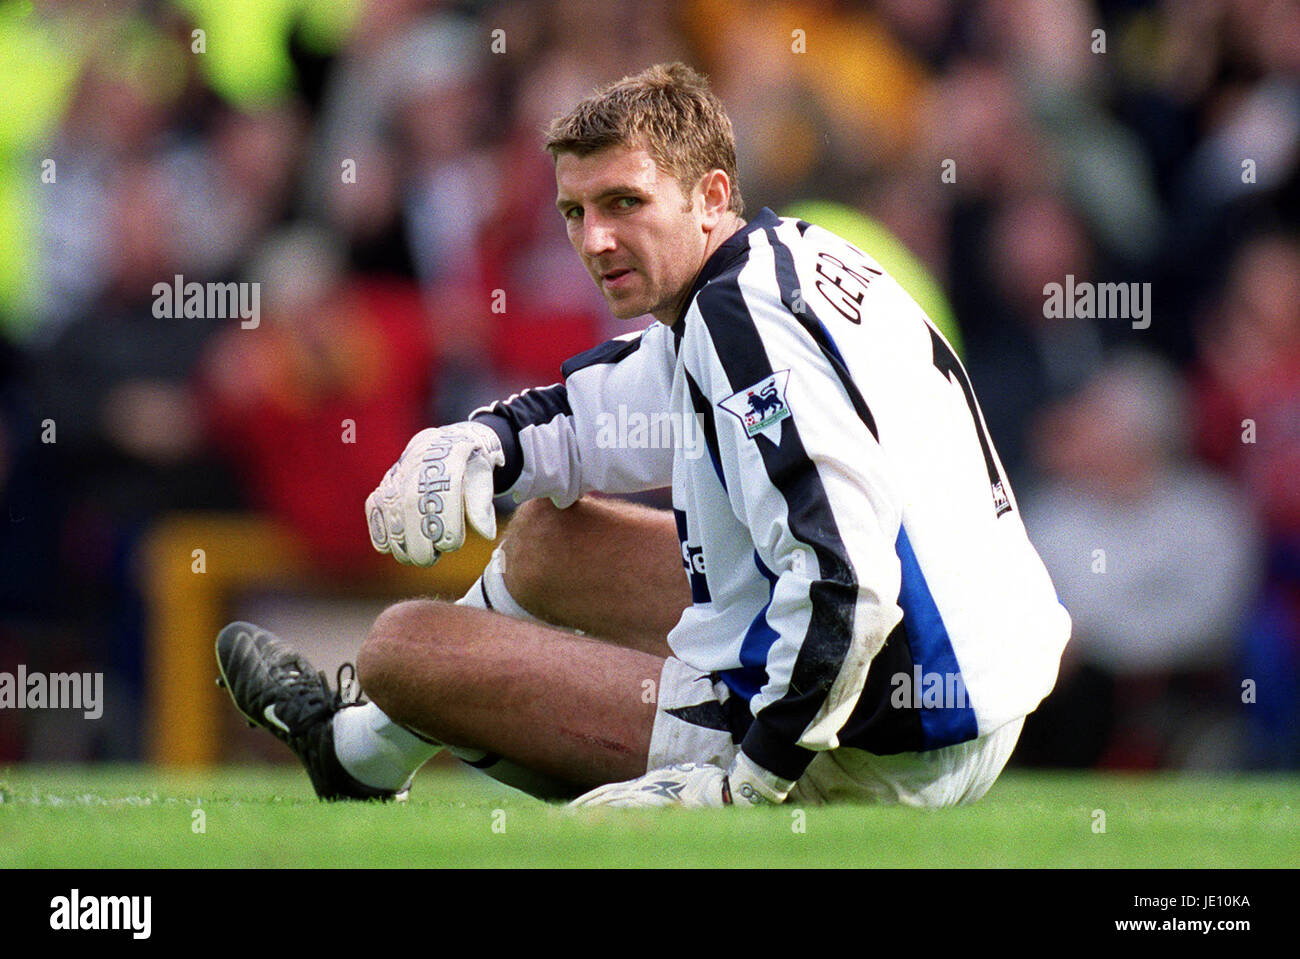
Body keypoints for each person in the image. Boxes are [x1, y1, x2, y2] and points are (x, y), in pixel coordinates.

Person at [215, 63, 1071, 808]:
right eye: (576, 211)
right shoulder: (768, 266)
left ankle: (357, 748)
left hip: (887, 729)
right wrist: (477, 445)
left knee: (404, 649)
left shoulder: (743, 322)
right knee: (550, 533)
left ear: (710, 195)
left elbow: (850, 583)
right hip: (953, 672)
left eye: (625, 202)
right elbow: (615, 406)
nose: (596, 239)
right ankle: (358, 756)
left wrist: (751, 780)